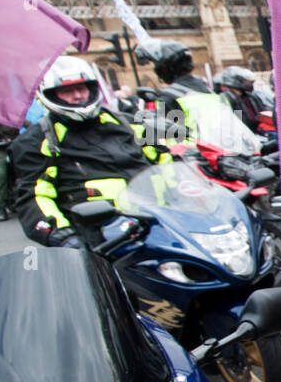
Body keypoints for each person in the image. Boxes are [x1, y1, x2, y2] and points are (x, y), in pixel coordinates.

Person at [11, 55, 172, 247]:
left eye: (81, 88)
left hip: (159, 223)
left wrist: (194, 160)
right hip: (101, 239)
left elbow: (166, 158)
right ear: (51, 95)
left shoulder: (128, 123)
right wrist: (62, 234)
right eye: (67, 91)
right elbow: (36, 196)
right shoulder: (37, 140)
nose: (78, 95)